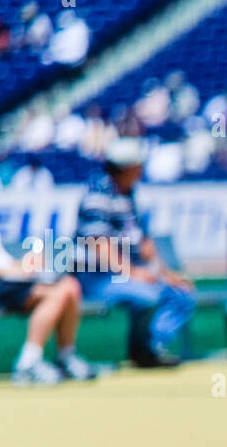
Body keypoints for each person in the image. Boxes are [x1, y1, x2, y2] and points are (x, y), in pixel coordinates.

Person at [0, 150, 92, 384]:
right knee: (58, 292)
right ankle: (28, 363)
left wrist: (23, 266)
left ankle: (66, 357)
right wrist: (13, 271)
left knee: (70, 285)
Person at [73, 139, 195, 367]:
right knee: (147, 294)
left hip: (125, 274)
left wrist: (166, 275)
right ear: (127, 167)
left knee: (181, 295)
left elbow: (145, 245)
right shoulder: (97, 195)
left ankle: (151, 348)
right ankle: (144, 350)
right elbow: (98, 244)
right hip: (95, 278)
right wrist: (132, 273)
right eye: (138, 165)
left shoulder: (131, 195)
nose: (141, 170)